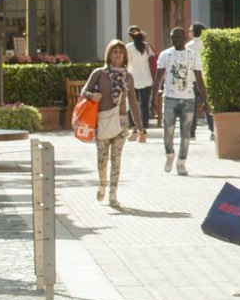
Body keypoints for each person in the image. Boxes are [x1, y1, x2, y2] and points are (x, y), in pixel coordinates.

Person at [80, 39, 143, 207]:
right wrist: (91, 95)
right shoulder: (99, 73)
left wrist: (139, 127)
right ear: (109, 54)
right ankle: (102, 184)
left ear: (125, 57)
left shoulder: (127, 77)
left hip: (121, 121)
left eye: (120, 52)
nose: (117, 55)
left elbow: (134, 102)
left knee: (116, 158)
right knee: (102, 158)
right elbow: (84, 90)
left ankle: (113, 194)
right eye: (114, 52)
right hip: (102, 119)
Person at [155, 25, 201, 175]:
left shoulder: (193, 55)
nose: (176, 40)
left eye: (179, 37)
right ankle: (169, 155)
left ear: (185, 38)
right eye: (173, 37)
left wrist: (206, 101)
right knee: (168, 131)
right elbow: (158, 77)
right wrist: (152, 98)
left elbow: (199, 79)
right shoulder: (165, 55)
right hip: (170, 98)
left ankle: (181, 162)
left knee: (185, 134)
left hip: (188, 99)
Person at [125, 26, 155, 144]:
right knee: (144, 106)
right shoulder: (146, 46)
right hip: (147, 79)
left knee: (132, 105)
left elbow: (127, 63)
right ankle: (144, 132)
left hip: (133, 79)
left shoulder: (128, 47)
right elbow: (152, 58)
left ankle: (134, 129)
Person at [190, 21, 212, 139]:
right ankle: (212, 129)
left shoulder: (188, 46)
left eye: (190, 30)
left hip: (193, 79)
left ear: (193, 32)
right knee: (207, 102)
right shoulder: (207, 44)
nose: (189, 32)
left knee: (192, 106)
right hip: (206, 78)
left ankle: (191, 131)